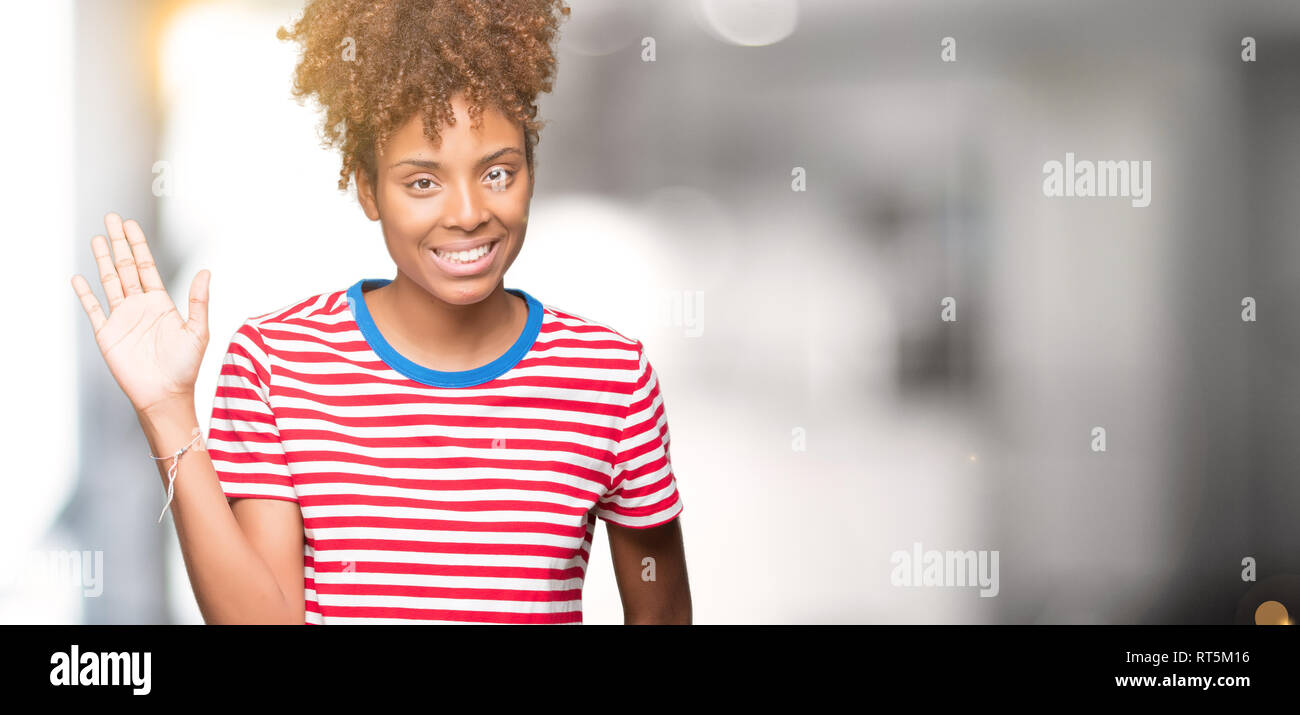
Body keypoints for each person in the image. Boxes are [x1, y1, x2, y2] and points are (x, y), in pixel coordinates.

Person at [69, 0, 690, 624]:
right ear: (367, 187)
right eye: (423, 182)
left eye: (498, 172)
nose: (469, 212)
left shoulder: (610, 378)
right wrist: (166, 409)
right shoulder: (278, 368)